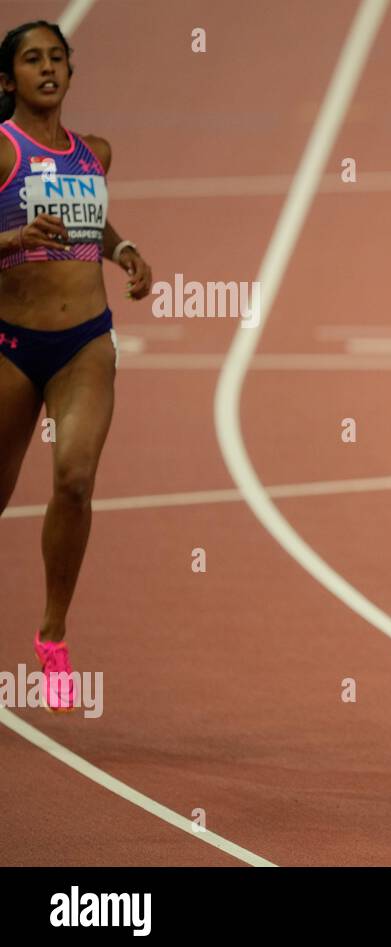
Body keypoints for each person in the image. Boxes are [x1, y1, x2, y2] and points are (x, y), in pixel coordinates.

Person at [0, 20, 152, 711]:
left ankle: (54, 632)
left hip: (85, 343)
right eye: (32, 60)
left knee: (75, 479)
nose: (47, 68)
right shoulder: (2, 148)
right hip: (10, 345)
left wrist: (121, 252)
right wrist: (14, 239)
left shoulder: (95, 153)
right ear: (9, 80)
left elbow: (94, 221)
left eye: (56, 57)